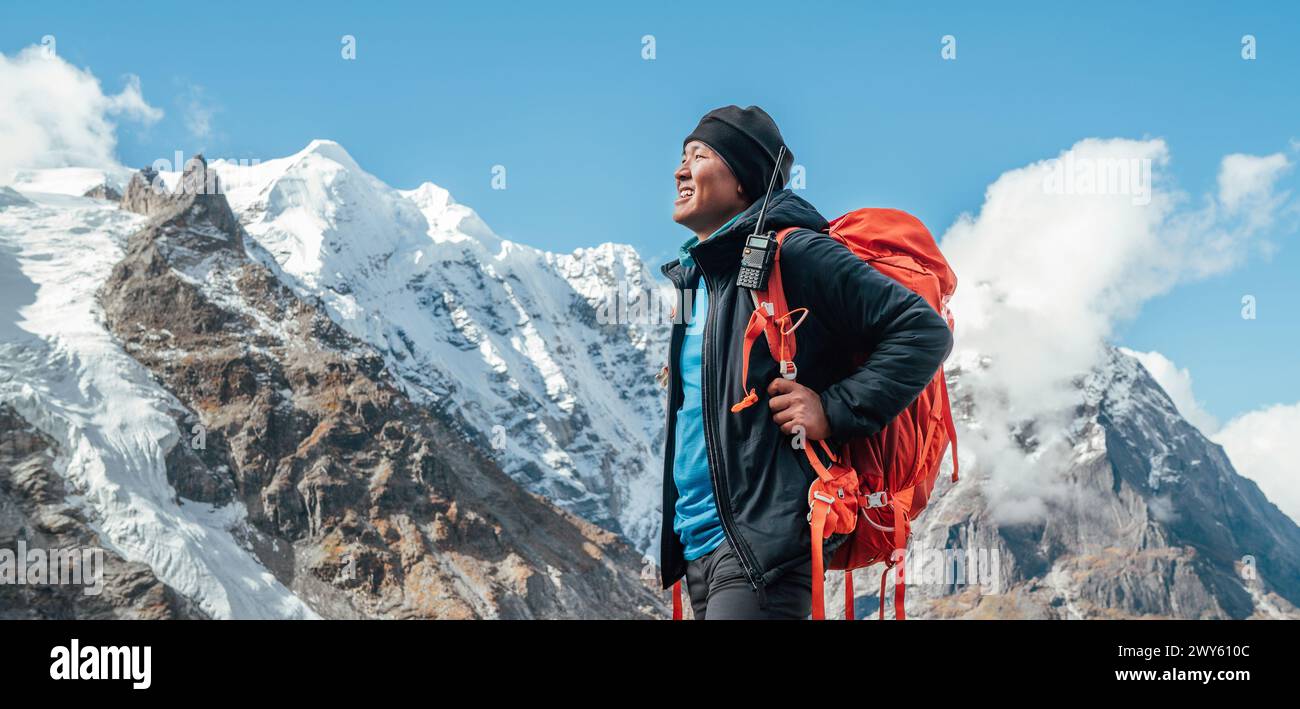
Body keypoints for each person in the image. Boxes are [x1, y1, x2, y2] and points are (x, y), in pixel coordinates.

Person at [660, 105, 954, 619]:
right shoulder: (698, 284)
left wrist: (833, 409)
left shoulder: (791, 254)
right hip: (700, 550)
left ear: (743, 182)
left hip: (764, 550)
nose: (680, 170)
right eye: (682, 157)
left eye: (699, 156)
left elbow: (921, 330)